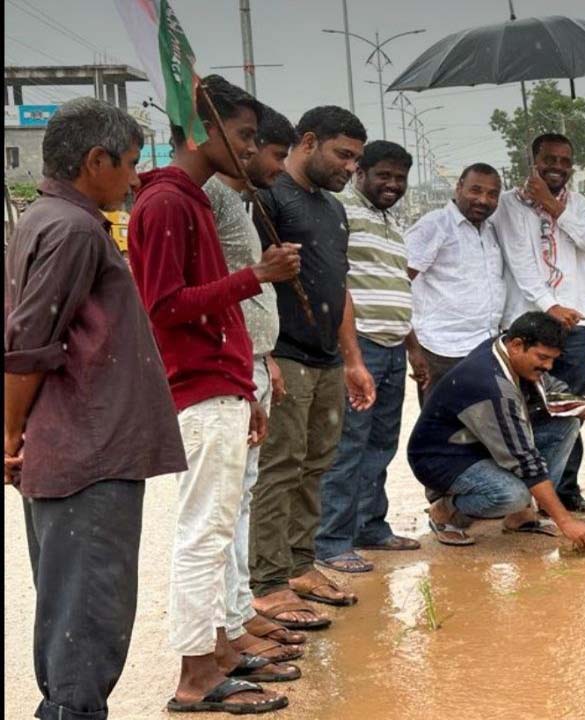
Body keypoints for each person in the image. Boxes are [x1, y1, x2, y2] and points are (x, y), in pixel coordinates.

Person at [4, 98, 186, 720]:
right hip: (87, 453)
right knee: (90, 614)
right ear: (96, 160)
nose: (137, 177)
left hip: (73, 446)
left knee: (68, 608)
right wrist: (8, 434)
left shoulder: (44, 217)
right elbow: (29, 345)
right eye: (131, 163)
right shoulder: (76, 228)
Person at [129, 76, 300, 713]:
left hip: (221, 384)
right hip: (198, 389)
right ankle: (196, 677)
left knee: (220, 527)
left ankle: (222, 649)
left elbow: (212, 312)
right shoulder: (169, 202)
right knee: (203, 535)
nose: (253, 151)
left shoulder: (193, 200)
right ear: (204, 131)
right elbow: (164, 305)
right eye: (247, 136)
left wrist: (243, 385)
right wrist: (253, 276)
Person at [250, 106, 374, 627]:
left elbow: (338, 286)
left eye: (355, 159)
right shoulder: (269, 198)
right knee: (280, 467)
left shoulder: (333, 210)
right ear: (308, 142)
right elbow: (251, 280)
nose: (350, 167)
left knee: (317, 465)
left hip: (326, 358)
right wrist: (264, 356)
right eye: (342, 155)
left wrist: (353, 359)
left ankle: (302, 565)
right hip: (286, 355)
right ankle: (268, 581)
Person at [204, 105, 308, 664]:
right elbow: (216, 288)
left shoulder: (241, 203)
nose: (272, 163)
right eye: (266, 150)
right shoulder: (212, 199)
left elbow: (248, 296)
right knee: (224, 507)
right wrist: (263, 274)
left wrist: (264, 356)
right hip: (224, 369)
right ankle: (227, 621)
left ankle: (239, 611)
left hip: (252, 360)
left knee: (241, 495)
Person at [407, 311, 585, 549]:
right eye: (543, 357)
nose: (548, 366)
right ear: (516, 345)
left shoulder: (503, 349)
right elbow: (524, 459)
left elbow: (549, 388)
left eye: (553, 359)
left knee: (566, 425)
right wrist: (566, 522)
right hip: (441, 457)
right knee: (512, 494)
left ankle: (522, 515)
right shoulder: (493, 386)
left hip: (478, 444)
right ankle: (445, 512)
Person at [314, 140, 421, 574]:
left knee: (380, 443)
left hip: (393, 347)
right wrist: (350, 354)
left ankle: (369, 526)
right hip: (361, 347)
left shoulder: (393, 223)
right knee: (349, 444)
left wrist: (413, 350)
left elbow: (399, 287)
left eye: (400, 177)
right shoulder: (342, 213)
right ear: (361, 173)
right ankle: (331, 540)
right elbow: (336, 283)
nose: (393, 184)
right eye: (384, 175)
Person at [494, 133, 585, 513]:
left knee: (572, 407)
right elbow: (520, 260)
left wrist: (552, 207)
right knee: (522, 410)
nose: (556, 167)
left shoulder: (579, 203)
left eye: (564, 161)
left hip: (574, 325)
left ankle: (566, 492)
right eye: (549, 160)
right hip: (526, 324)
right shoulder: (508, 205)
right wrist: (549, 305)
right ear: (533, 159)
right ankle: (521, 498)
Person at [405, 162, 505, 401]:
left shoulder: (490, 230)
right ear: (459, 187)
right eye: (476, 190)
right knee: (441, 431)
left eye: (492, 194)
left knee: (479, 431)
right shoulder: (435, 225)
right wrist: (413, 348)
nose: (483, 200)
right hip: (441, 352)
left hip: (484, 349)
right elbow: (399, 285)